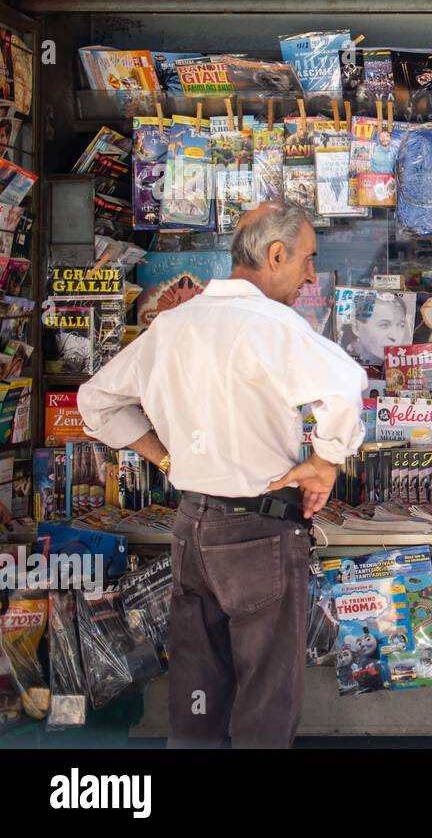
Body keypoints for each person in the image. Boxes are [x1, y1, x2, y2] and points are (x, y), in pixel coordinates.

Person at [76, 203, 366, 748]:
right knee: (265, 699)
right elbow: (347, 386)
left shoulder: (173, 326)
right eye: (307, 259)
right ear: (275, 255)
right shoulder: (274, 325)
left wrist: (165, 458)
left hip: (193, 528)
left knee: (197, 691)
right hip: (259, 535)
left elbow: (95, 402)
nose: (310, 276)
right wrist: (325, 462)